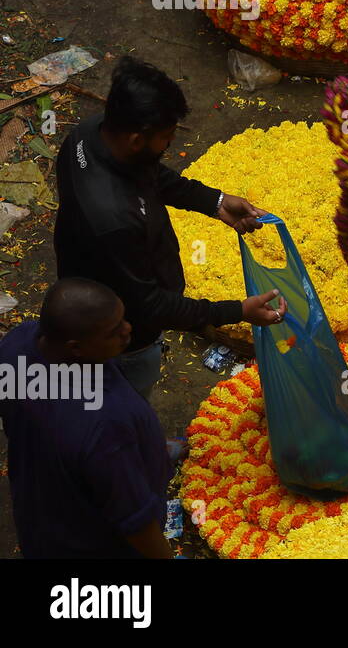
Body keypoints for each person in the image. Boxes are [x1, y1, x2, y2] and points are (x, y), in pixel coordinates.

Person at [54, 57, 284, 401]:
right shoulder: (114, 221)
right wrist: (237, 311)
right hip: (124, 337)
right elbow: (151, 306)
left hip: (99, 278)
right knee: (127, 401)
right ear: (135, 139)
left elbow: (150, 175)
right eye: (166, 137)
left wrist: (215, 201)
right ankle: (141, 446)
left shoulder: (88, 134)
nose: (170, 144)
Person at [0, 279, 173, 558]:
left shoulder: (18, 343)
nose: (127, 330)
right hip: (93, 542)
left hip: (41, 506)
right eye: (113, 331)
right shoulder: (104, 425)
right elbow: (135, 521)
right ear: (76, 348)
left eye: (123, 319)